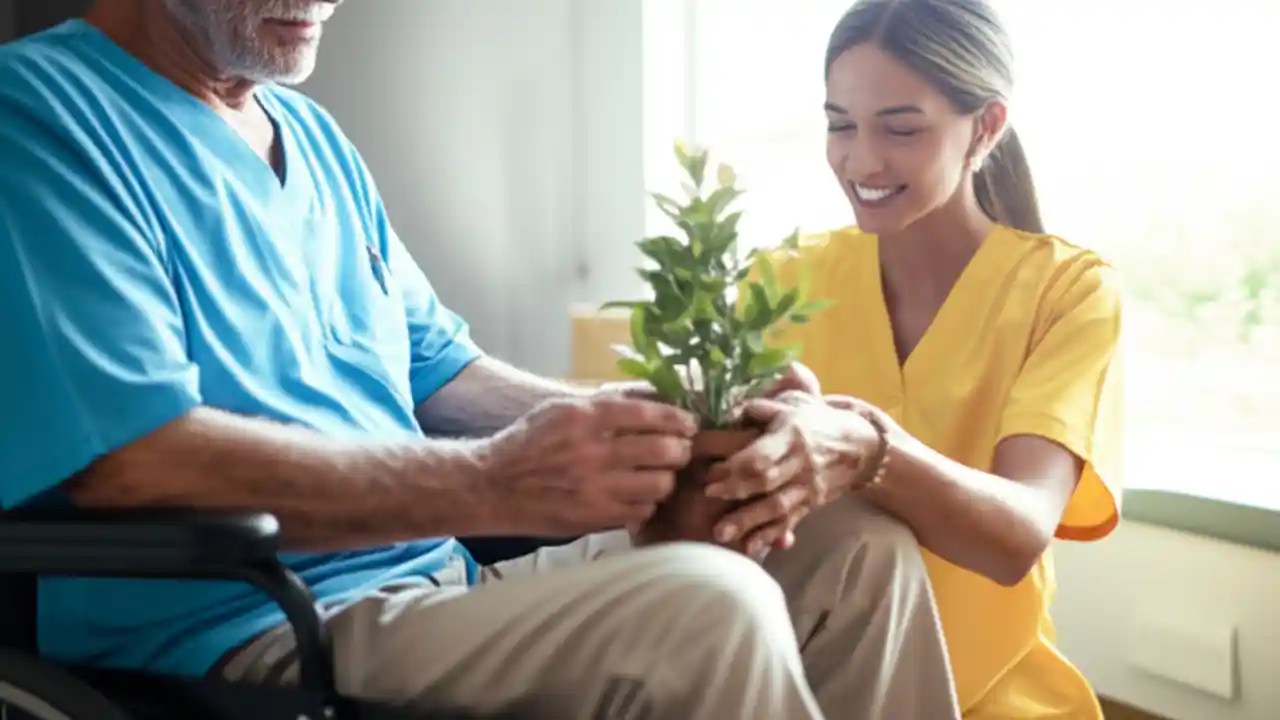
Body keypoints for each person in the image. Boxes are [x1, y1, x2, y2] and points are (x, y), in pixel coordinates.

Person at [0, 1, 963, 718]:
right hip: (256, 630)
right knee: (708, 607)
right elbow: (137, 458)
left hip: (437, 587)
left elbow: (444, 377)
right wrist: (496, 484)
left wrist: (666, 425)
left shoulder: (315, 141)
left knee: (856, 551)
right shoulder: (39, 116)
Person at [701, 0, 1125, 717]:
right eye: (841, 124)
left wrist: (869, 453)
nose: (861, 160)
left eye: (900, 128)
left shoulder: (1068, 290)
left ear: (984, 127)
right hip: (806, 686)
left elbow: (1018, 534)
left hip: (994, 694)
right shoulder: (778, 284)